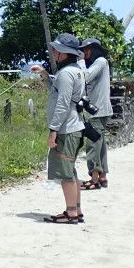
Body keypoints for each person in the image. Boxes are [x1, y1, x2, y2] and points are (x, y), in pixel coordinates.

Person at [30, 33, 87, 224]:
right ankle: (76, 210)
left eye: (56, 49)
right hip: (74, 126)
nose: (53, 52)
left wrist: (53, 131)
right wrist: (45, 76)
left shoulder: (65, 74)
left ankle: (71, 214)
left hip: (66, 129)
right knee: (70, 170)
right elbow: (58, 91)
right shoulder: (74, 70)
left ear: (63, 52)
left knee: (66, 173)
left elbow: (62, 104)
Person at [80, 37, 113, 190]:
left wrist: (79, 62)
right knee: (100, 145)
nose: (85, 52)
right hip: (100, 109)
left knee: (93, 144)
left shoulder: (100, 61)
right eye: (83, 49)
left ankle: (94, 179)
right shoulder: (98, 63)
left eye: (87, 49)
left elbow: (85, 77)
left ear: (95, 49)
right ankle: (102, 177)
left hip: (98, 110)